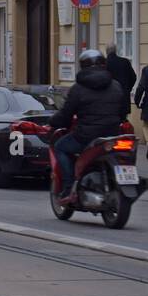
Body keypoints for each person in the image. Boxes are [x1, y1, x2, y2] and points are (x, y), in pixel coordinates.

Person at [49, 49, 129, 200]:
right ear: (103, 64)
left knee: (60, 147)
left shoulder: (78, 89)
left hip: (87, 136)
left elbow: (66, 115)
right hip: (112, 134)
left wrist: (53, 121)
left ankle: (68, 187)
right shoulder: (116, 85)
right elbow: (123, 111)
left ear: (82, 66)